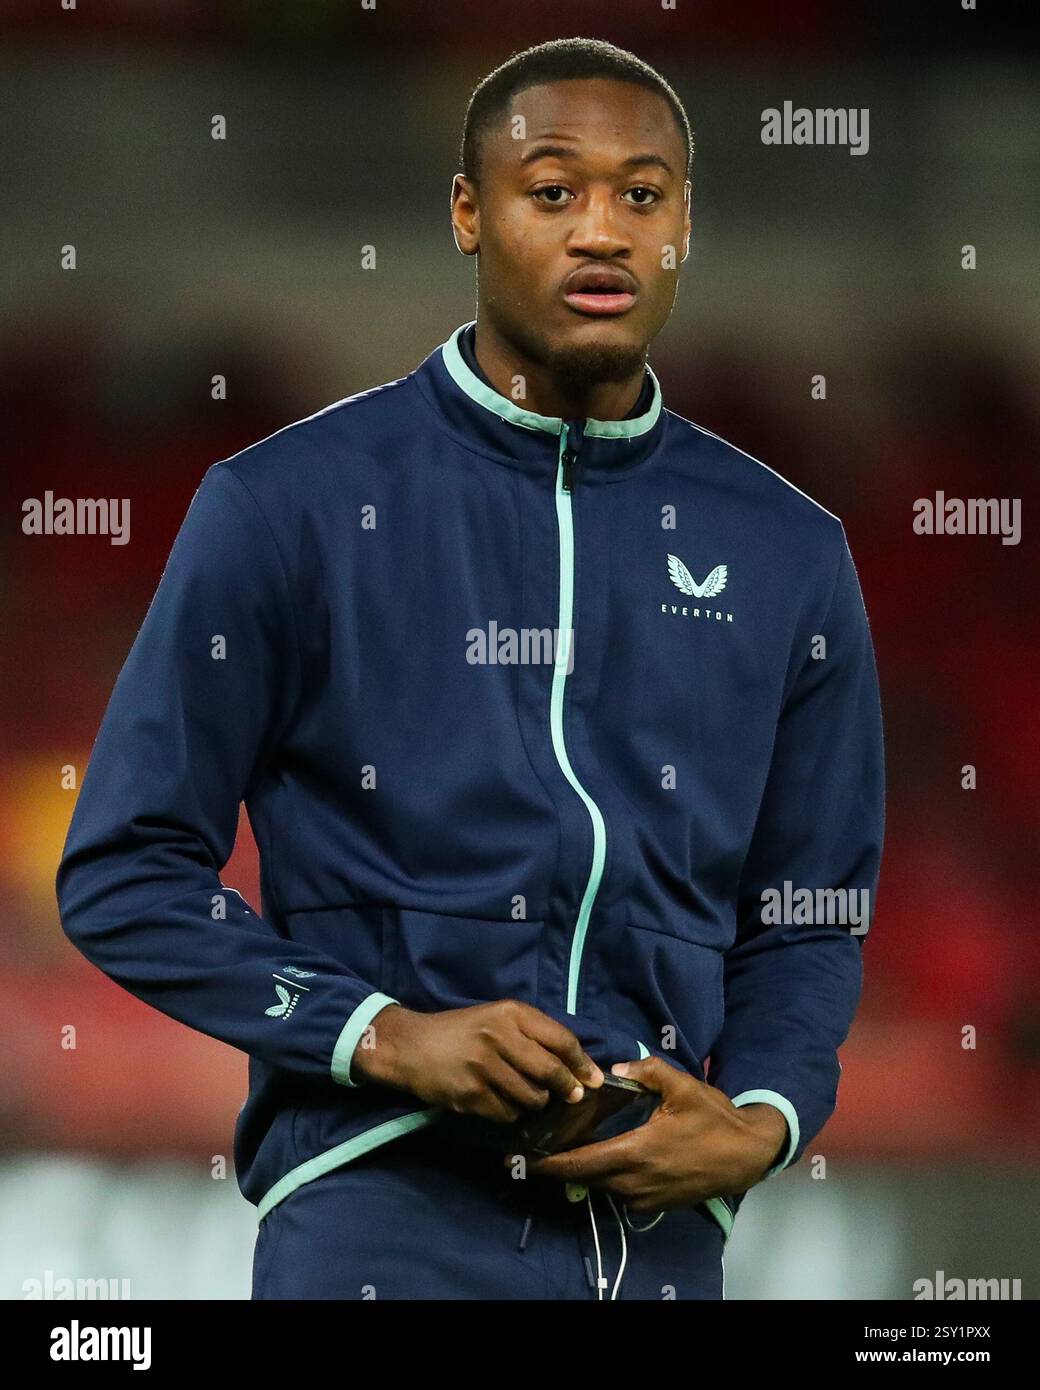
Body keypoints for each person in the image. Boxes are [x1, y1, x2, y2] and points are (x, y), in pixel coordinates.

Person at [56, 37, 885, 1301]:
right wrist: (378, 1036)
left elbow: (807, 914)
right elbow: (125, 867)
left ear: (681, 226)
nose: (599, 230)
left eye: (641, 195)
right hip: (377, 1211)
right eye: (551, 191)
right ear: (466, 213)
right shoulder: (289, 507)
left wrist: (762, 1118)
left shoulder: (787, 552)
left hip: (662, 1237)